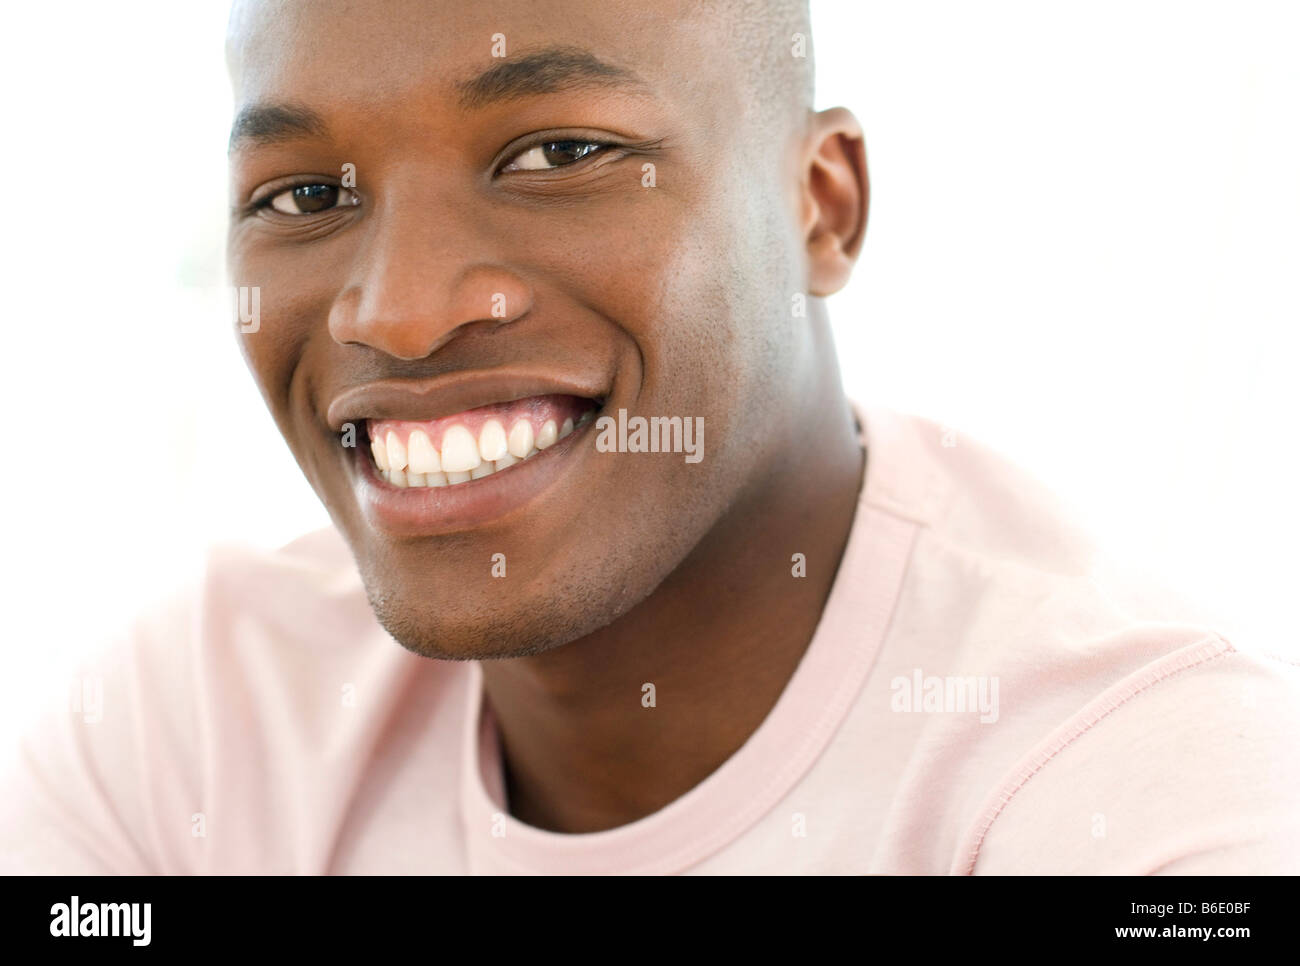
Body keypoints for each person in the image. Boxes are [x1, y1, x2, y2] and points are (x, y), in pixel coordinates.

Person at [2, 0, 1296, 874]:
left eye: (560, 151)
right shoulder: (185, 730)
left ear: (821, 207)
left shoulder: (1145, 796)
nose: (394, 312)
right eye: (301, 195)